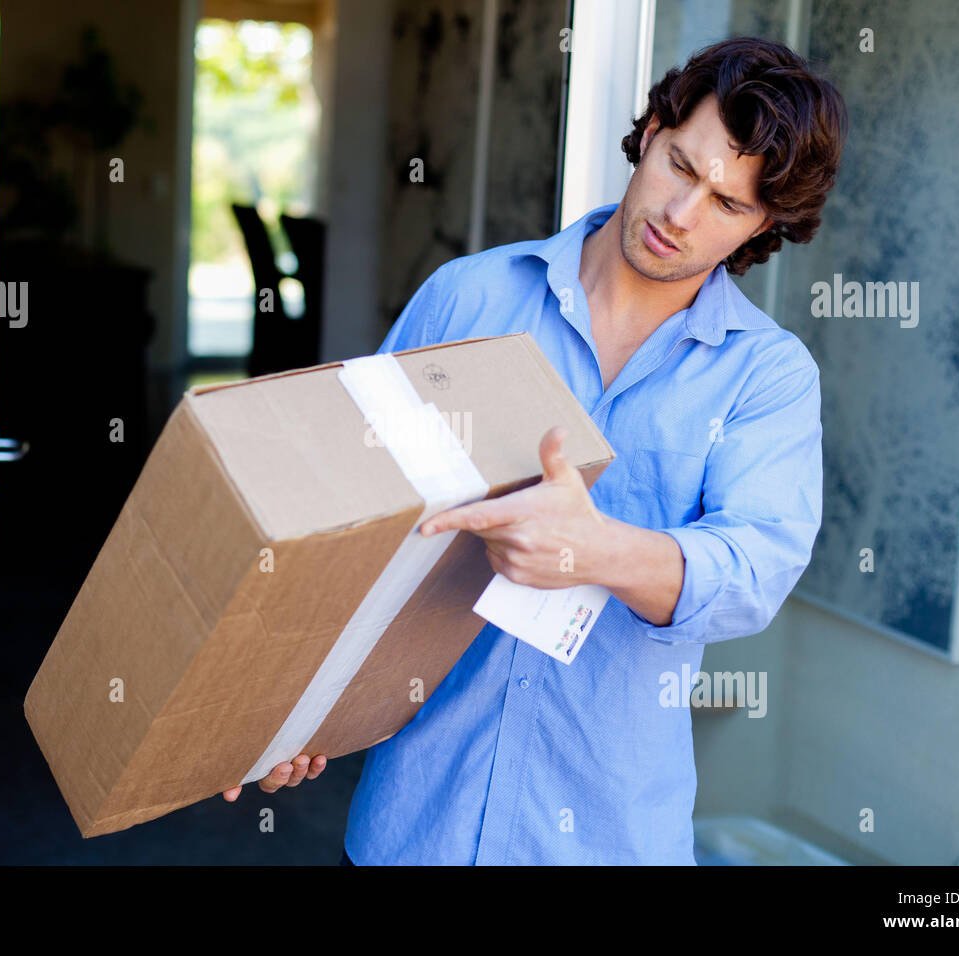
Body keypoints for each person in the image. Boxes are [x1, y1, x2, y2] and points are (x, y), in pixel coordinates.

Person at [223, 35, 848, 865]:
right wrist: (302, 711)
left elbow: (752, 573)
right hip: (416, 829)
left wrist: (598, 551)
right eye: (681, 167)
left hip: (605, 836)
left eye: (729, 204)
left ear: (764, 224)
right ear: (654, 129)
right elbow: (353, 520)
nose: (681, 214)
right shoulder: (466, 299)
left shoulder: (766, 377)